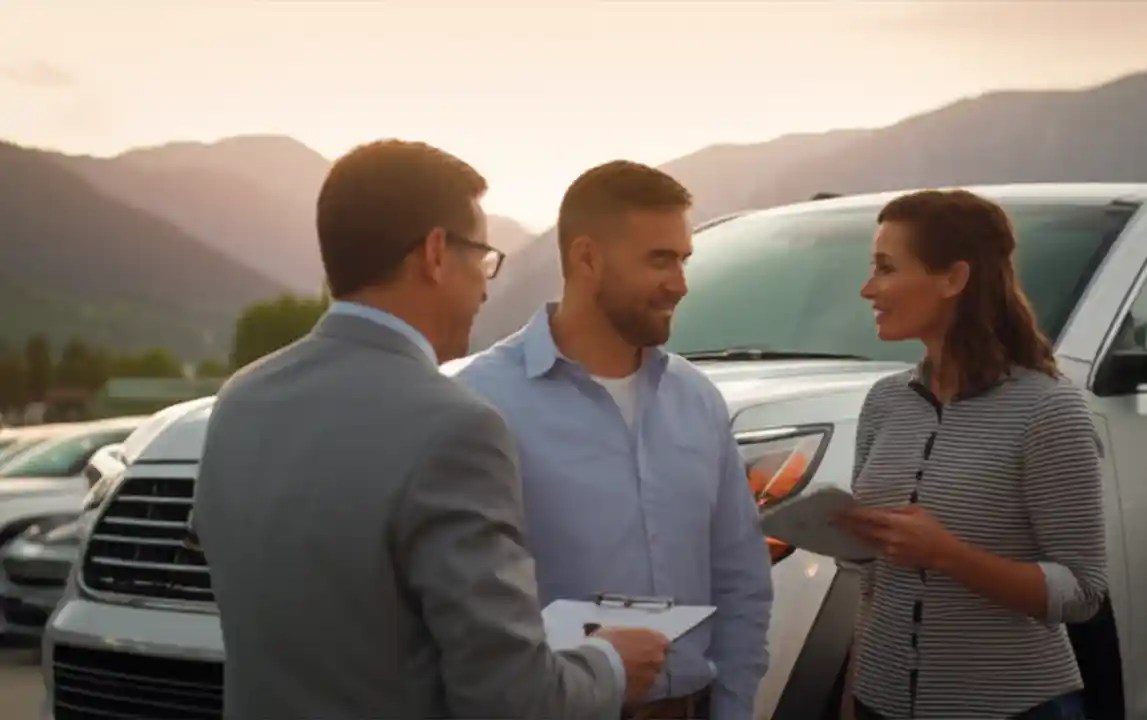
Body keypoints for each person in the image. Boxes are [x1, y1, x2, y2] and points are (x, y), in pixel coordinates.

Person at [192, 140, 670, 720]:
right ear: (437, 254)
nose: (486, 286)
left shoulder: (240, 400)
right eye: (484, 258)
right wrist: (611, 664)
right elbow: (513, 701)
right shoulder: (456, 428)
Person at [455, 160, 773, 720]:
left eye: (683, 259)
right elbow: (461, 605)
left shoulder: (698, 401)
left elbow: (741, 581)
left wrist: (731, 711)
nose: (680, 283)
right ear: (586, 258)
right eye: (659, 260)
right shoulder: (481, 402)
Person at [833, 189, 1107, 720]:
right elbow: (871, 586)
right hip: (879, 701)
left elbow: (1083, 592)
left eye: (886, 269)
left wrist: (948, 555)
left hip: (1011, 708)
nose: (868, 289)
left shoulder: (1049, 410)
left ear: (953, 279)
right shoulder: (884, 402)